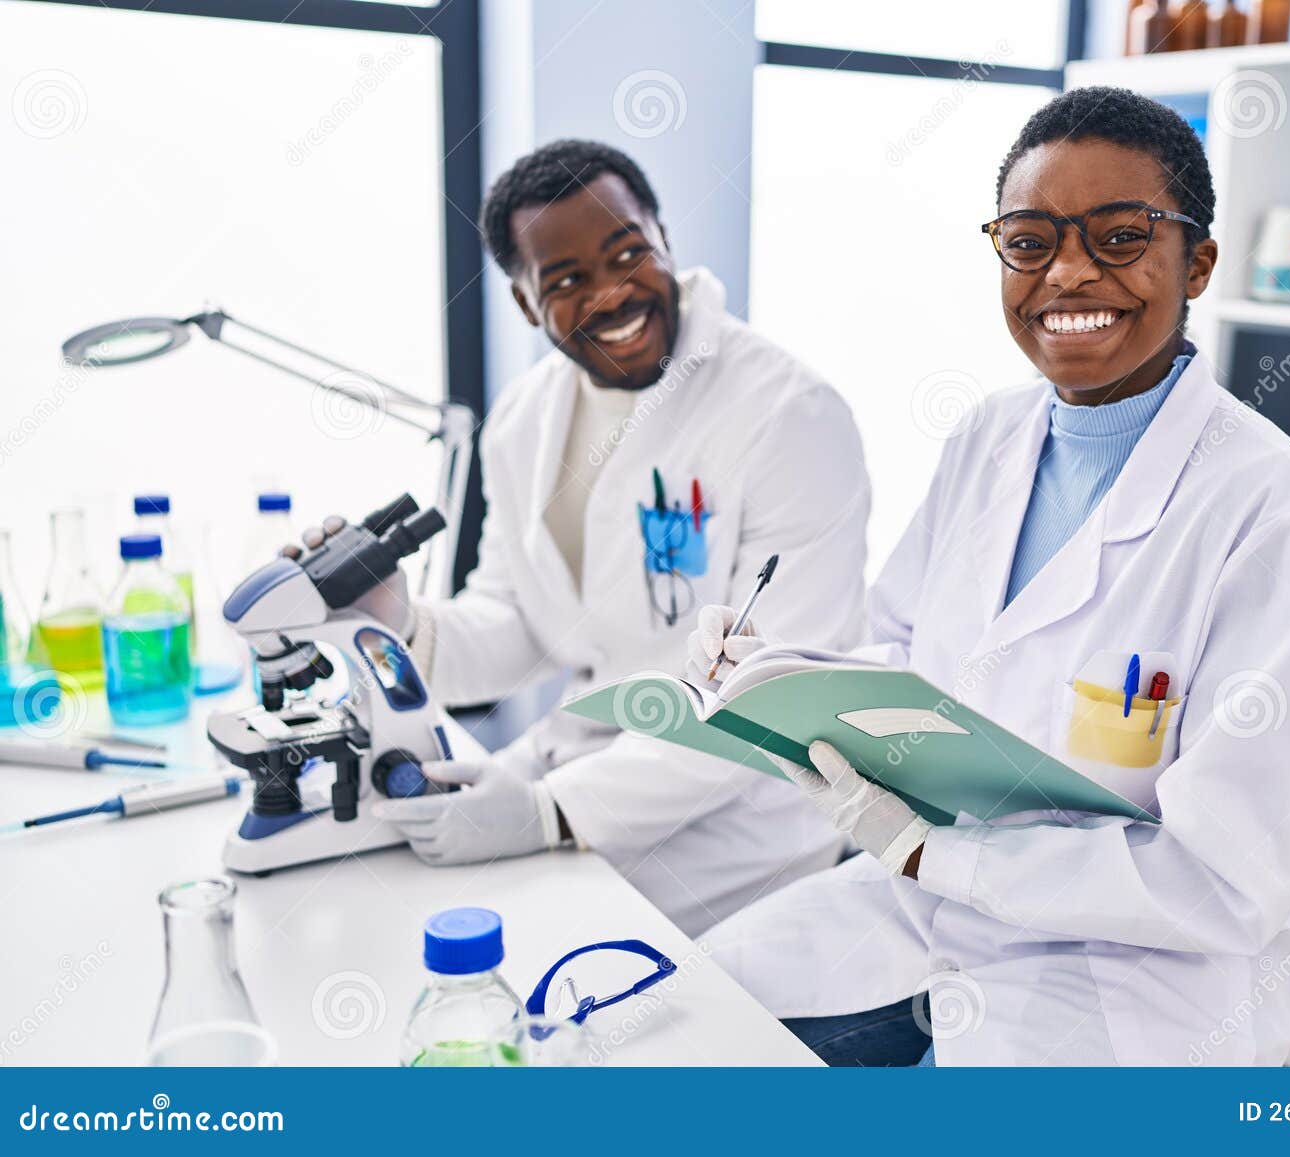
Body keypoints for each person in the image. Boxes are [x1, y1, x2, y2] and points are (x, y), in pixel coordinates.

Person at [686, 88, 1290, 1064]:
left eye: (1118, 236)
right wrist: (785, 675)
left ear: (1197, 262)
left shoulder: (1285, 524)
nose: (1067, 271)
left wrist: (941, 851)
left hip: (1134, 988)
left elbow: (1225, 879)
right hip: (918, 908)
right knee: (673, 1021)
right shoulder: (989, 435)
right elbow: (903, 647)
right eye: (1029, 240)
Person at [291, 140, 870, 937]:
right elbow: (521, 624)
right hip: (582, 761)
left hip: (745, 825)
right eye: (565, 281)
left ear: (663, 237)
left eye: (628, 253)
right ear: (527, 304)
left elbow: (773, 699)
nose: (612, 294)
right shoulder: (523, 421)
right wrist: (400, 621)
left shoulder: (789, 412)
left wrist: (551, 812)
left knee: (555, 962)